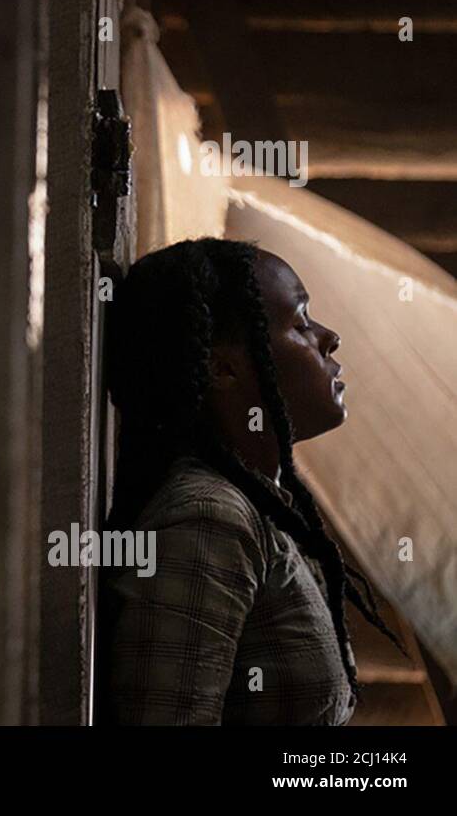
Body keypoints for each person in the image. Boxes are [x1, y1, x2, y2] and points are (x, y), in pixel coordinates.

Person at [97, 237, 406, 725]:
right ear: (223, 369)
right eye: (300, 323)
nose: (329, 338)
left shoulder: (262, 510)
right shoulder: (209, 517)